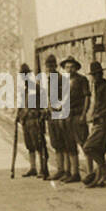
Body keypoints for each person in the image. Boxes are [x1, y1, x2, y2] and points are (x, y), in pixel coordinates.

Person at [83, 60, 106, 188]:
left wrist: (97, 115)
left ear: (101, 74)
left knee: (88, 147)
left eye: (97, 74)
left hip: (104, 123)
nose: (95, 77)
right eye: (93, 75)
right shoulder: (96, 87)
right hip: (98, 122)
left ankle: (103, 170)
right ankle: (99, 178)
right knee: (99, 150)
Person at [60, 56, 90, 183]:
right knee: (70, 145)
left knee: (84, 143)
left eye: (71, 67)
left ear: (76, 67)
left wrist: (84, 114)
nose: (69, 69)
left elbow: (87, 97)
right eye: (67, 67)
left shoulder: (82, 80)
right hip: (67, 115)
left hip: (78, 115)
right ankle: (74, 173)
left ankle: (90, 172)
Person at [16, 63, 48, 178]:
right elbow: (21, 105)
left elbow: (43, 104)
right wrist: (19, 115)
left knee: (39, 145)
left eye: (25, 75)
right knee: (29, 145)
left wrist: (39, 113)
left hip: (35, 121)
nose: (23, 77)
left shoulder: (37, 88)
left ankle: (42, 168)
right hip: (26, 121)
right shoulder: (24, 90)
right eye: (21, 75)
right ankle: (33, 167)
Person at [42, 52, 68, 180]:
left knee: (61, 143)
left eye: (51, 66)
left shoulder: (58, 79)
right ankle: (61, 169)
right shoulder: (49, 79)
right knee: (56, 143)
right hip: (52, 114)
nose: (49, 68)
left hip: (58, 114)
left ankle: (63, 170)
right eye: (48, 66)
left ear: (55, 66)